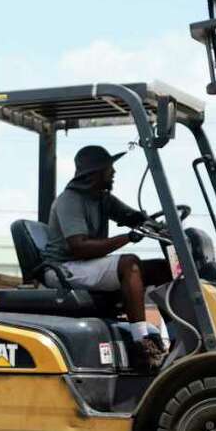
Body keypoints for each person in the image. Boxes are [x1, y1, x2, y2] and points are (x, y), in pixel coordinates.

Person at [43, 145, 171, 366]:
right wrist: (127, 238)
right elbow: (80, 247)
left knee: (163, 269)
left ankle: (179, 335)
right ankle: (141, 341)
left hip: (86, 265)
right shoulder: (70, 200)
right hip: (64, 268)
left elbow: (131, 216)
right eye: (109, 168)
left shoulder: (102, 199)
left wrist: (154, 225)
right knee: (129, 264)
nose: (113, 172)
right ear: (94, 173)